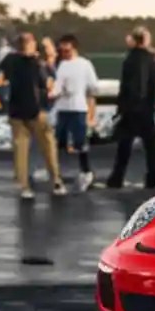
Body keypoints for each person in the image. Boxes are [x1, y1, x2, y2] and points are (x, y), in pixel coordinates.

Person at [0, 32, 64, 199]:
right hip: (36, 110)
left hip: (16, 110)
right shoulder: (37, 63)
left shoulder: (9, 61)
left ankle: (24, 186)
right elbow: (47, 85)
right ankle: (55, 180)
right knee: (48, 146)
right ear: (31, 45)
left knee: (21, 150)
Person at [107, 26, 155, 189]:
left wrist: (125, 107)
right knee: (150, 145)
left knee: (125, 144)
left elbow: (132, 85)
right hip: (146, 107)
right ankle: (152, 177)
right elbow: (152, 83)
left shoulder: (132, 59)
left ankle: (117, 178)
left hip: (133, 108)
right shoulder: (151, 60)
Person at [52, 34, 100, 192]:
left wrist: (91, 111)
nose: (64, 53)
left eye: (67, 50)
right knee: (59, 142)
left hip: (79, 108)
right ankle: (56, 173)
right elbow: (57, 86)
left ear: (74, 48)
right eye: (62, 50)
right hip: (63, 108)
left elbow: (93, 87)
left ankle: (86, 171)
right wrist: (55, 92)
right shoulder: (62, 65)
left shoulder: (85, 64)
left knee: (80, 142)